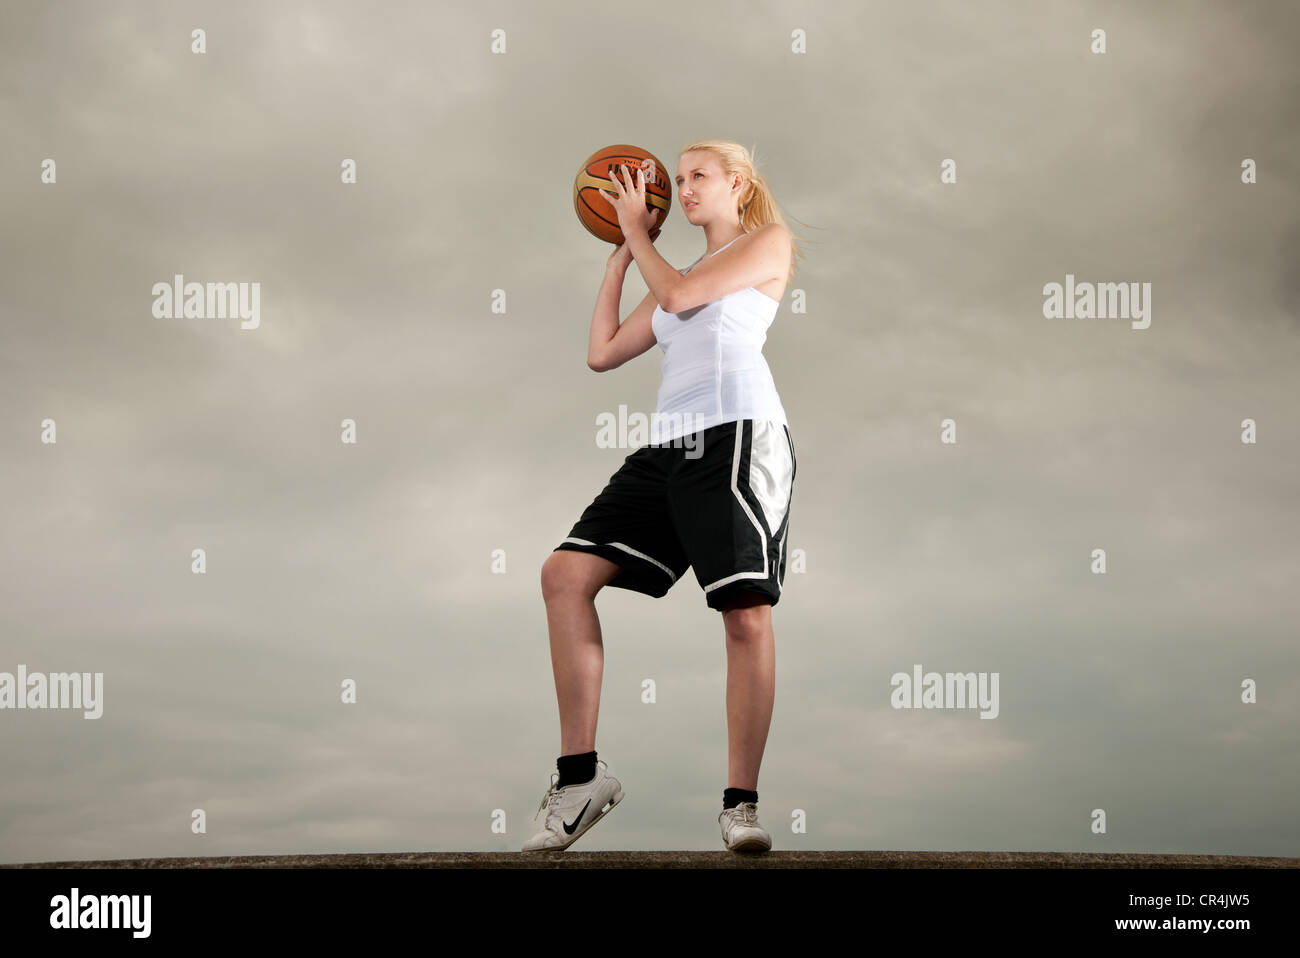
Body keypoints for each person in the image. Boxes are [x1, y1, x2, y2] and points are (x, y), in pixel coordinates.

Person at [524, 140, 806, 853]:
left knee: (745, 616)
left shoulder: (767, 242)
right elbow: (602, 353)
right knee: (564, 575)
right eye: (677, 180)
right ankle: (581, 778)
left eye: (698, 176)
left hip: (737, 435)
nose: (683, 189)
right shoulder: (671, 274)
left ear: (738, 186)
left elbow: (681, 298)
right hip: (668, 448)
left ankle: (740, 805)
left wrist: (637, 238)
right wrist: (619, 261)